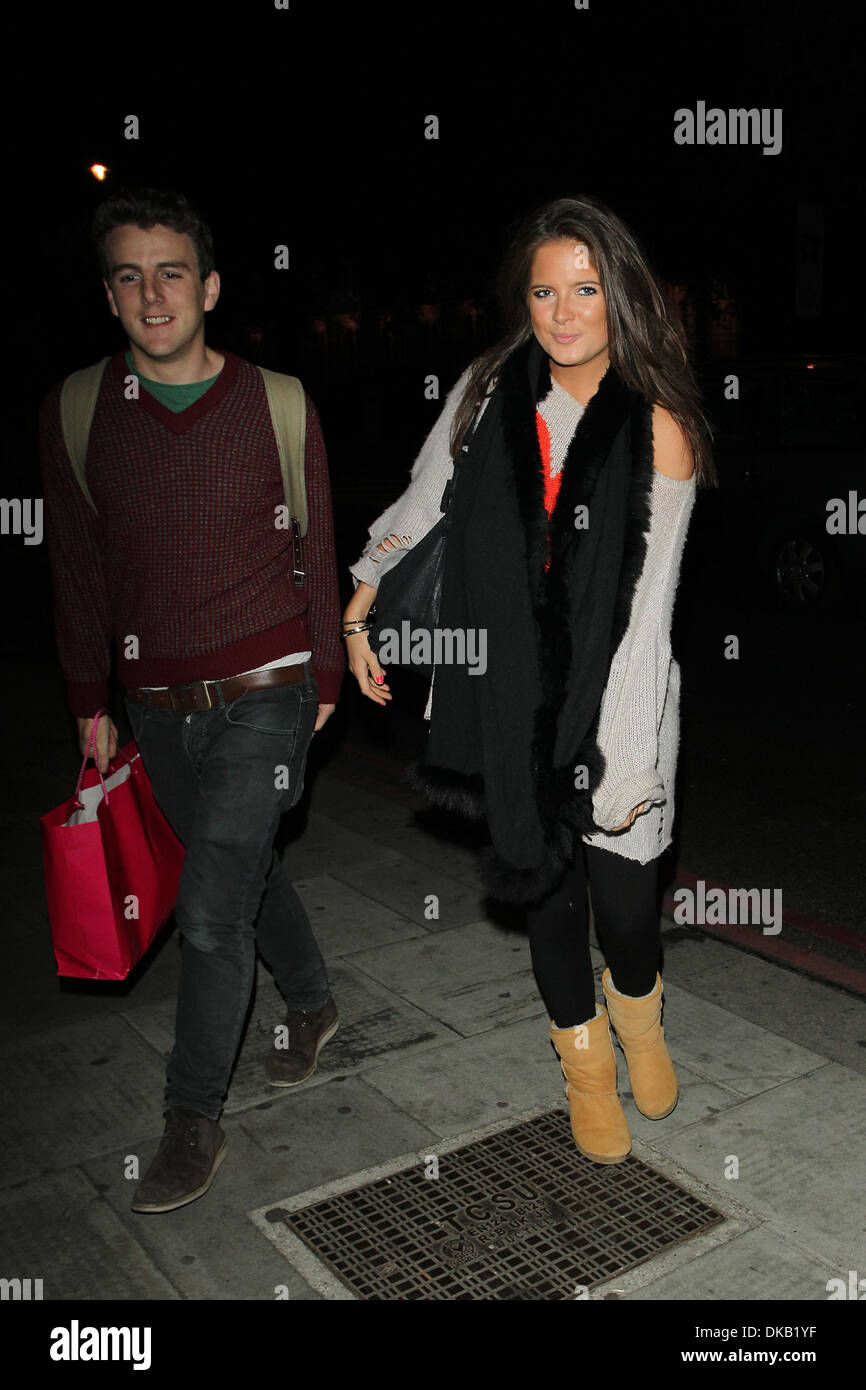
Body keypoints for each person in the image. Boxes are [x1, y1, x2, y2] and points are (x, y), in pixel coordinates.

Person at [343, 196, 713, 1164]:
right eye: (544, 290)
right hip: (507, 701)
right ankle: (584, 1065)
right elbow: (421, 502)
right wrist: (360, 594)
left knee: (626, 916)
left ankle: (637, 1007)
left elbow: (646, 616)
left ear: (619, 296)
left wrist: (618, 755)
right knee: (544, 894)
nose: (560, 310)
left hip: (620, 707)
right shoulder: (484, 392)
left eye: (584, 289)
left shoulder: (658, 425)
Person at [39, 187, 345, 1211]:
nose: (151, 291)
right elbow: (78, 568)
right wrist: (90, 693)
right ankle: (313, 1000)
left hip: (266, 693)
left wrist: (325, 685)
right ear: (109, 295)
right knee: (240, 869)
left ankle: (190, 1118)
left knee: (209, 913)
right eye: (128, 274)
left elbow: (317, 551)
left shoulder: (279, 401)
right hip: (155, 706)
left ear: (209, 286)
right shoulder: (80, 411)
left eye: (171, 270)